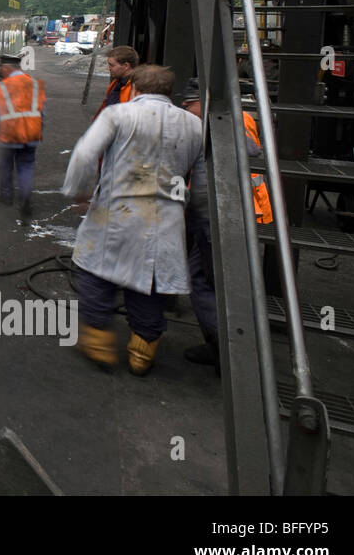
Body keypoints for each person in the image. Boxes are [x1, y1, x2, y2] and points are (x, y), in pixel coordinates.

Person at [63, 65, 203, 375]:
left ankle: (98, 343)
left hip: (116, 211)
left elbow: (85, 154)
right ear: (170, 93)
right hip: (165, 218)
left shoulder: (118, 115)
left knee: (98, 274)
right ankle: (142, 353)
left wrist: (78, 192)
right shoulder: (195, 126)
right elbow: (202, 179)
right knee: (147, 285)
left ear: (136, 88)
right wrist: (196, 215)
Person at [179, 78, 272, 371]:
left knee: (210, 282)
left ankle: (229, 353)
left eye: (188, 105)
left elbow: (246, 157)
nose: (185, 110)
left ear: (205, 102)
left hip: (224, 218)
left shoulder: (228, 123)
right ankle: (221, 346)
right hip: (213, 215)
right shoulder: (215, 121)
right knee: (200, 278)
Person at [0, 53, 45, 223]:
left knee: (5, 166)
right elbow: (41, 112)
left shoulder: (1, 87)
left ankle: (6, 196)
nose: (0, 71)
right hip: (31, 133)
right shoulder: (34, 84)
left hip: (8, 135)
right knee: (26, 166)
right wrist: (40, 128)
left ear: (7, 68)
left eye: (1, 68)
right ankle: (25, 199)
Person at [95, 45, 138, 118]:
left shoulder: (136, 89)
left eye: (112, 65)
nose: (108, 68)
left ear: (126, 66)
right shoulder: (117, 82)